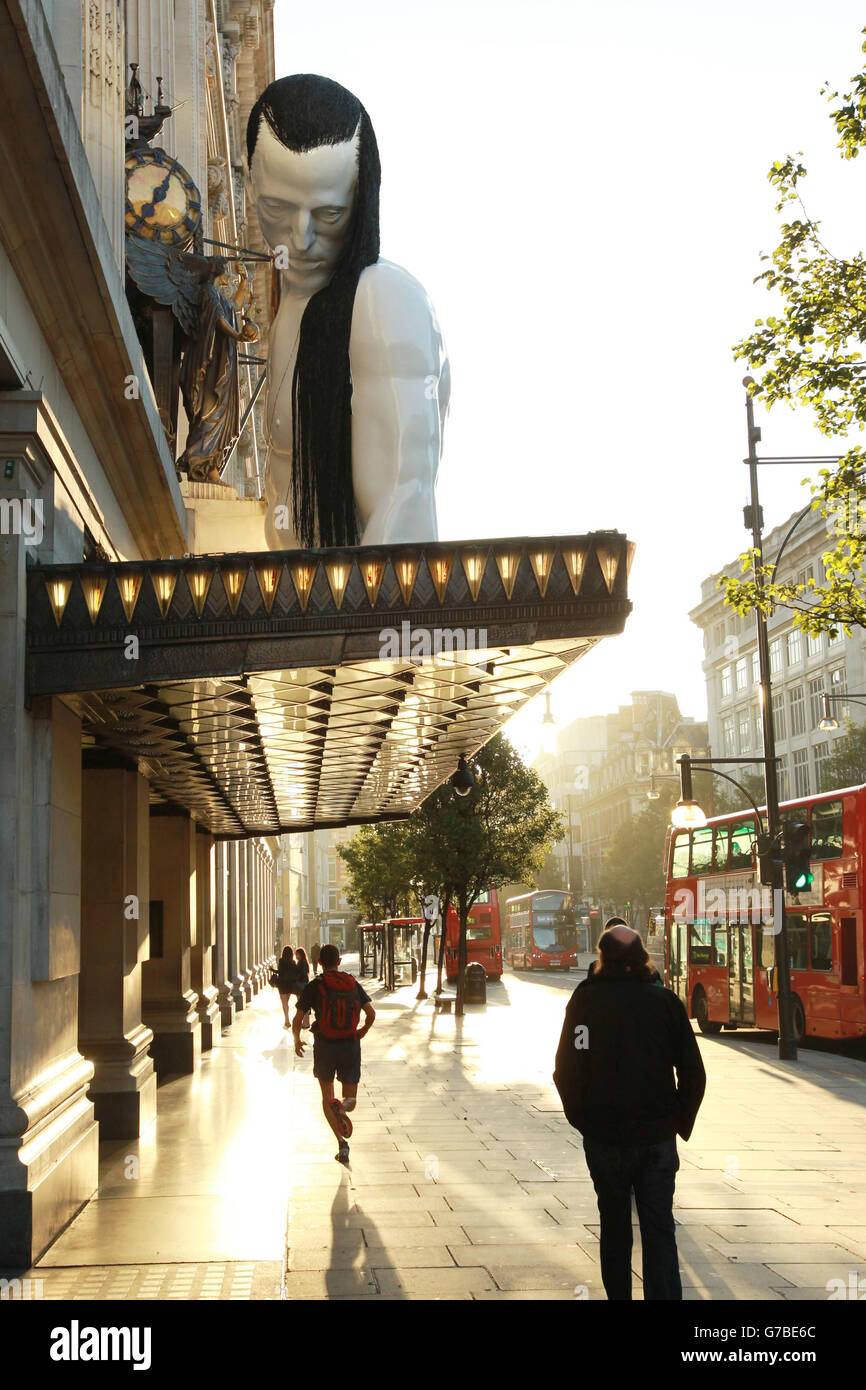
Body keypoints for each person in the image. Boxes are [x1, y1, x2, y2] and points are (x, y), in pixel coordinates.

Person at [244, 73, 449, 550]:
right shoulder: (288, 322)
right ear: (250, 183)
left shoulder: (383, 302)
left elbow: (404, 511)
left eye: (329, 215)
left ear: (361, 201)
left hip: (349, 617)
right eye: (278, 207)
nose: (301, 239)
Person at [553, 922, 706, 1301]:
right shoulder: (665, 1003)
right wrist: (677, 1121)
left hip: (605, 1136)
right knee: (659, 1228)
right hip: (655, 1137)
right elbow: (693, 1073)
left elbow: (566, 1068)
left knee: (615, 1225)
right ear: (642, 959)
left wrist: (583, 1119)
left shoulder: (585, 1001)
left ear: (602, 958)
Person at [292, 943, 376, 1165]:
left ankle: (342, 1144)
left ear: (319, 962)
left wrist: (296, 1040)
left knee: (327, 1098)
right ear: (339, 962)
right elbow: (371, 1013)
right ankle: (344, 1106)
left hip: (325, 1046)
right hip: (350, 1045)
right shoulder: (351, 982)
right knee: (351, 1099)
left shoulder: (315, 985)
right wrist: (362, 1032)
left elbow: (297, 1020)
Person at [276, 945, 297, 1028]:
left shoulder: (281, 961)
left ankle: (287, 1020)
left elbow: (280, 972)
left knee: (284, 1002)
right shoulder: (293, 962)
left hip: (282, 983)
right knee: (286, 1002)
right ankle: (287, 1019)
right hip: (289, 984)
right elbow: (295, 972)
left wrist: (272, 970)